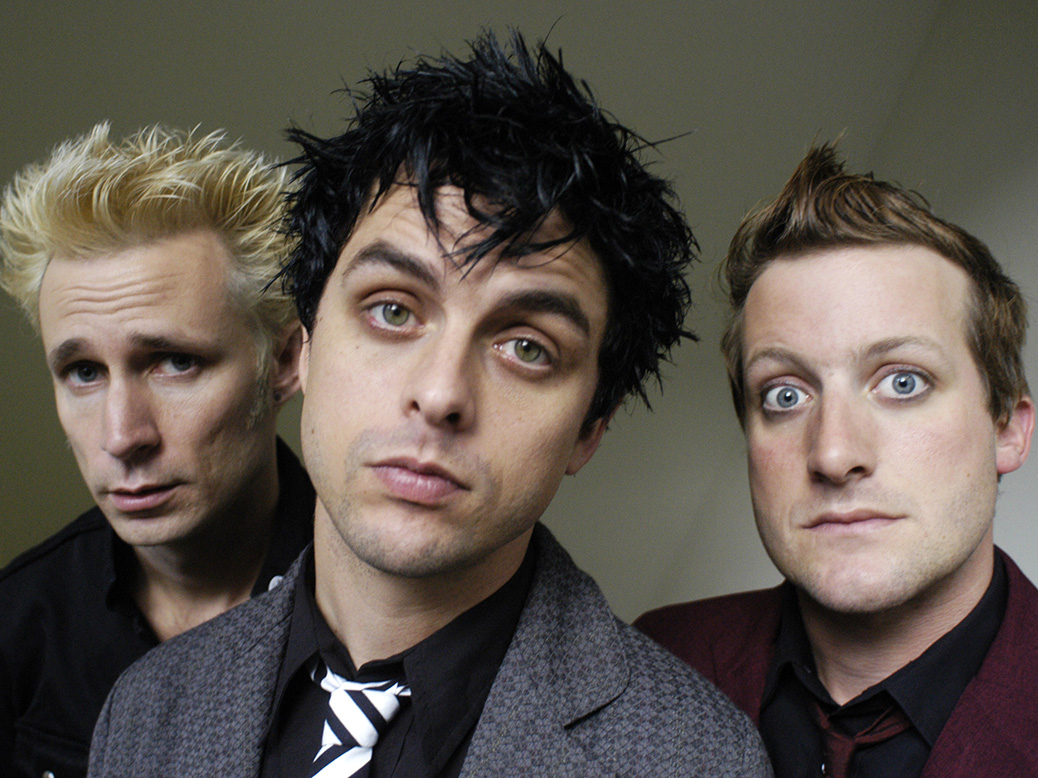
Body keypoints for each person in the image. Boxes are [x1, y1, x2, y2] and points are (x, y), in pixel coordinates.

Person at [87, 31, 771, 777]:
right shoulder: (146, 707)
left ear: (590, 429)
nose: (441, 394)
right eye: (392, 310)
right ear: (302, 348)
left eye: (527, 347)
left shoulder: (700, 759)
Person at [637, 144, 1038, 777]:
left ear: (1008, 430)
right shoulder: (652, 665)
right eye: (785, 395)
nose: (833, 454)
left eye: (902, 382)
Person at [0, 123, 315, 778]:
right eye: (83, 372)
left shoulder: (394, 605)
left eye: (175, 362)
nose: (122, 436)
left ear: (285, 361)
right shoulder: (18, 625)